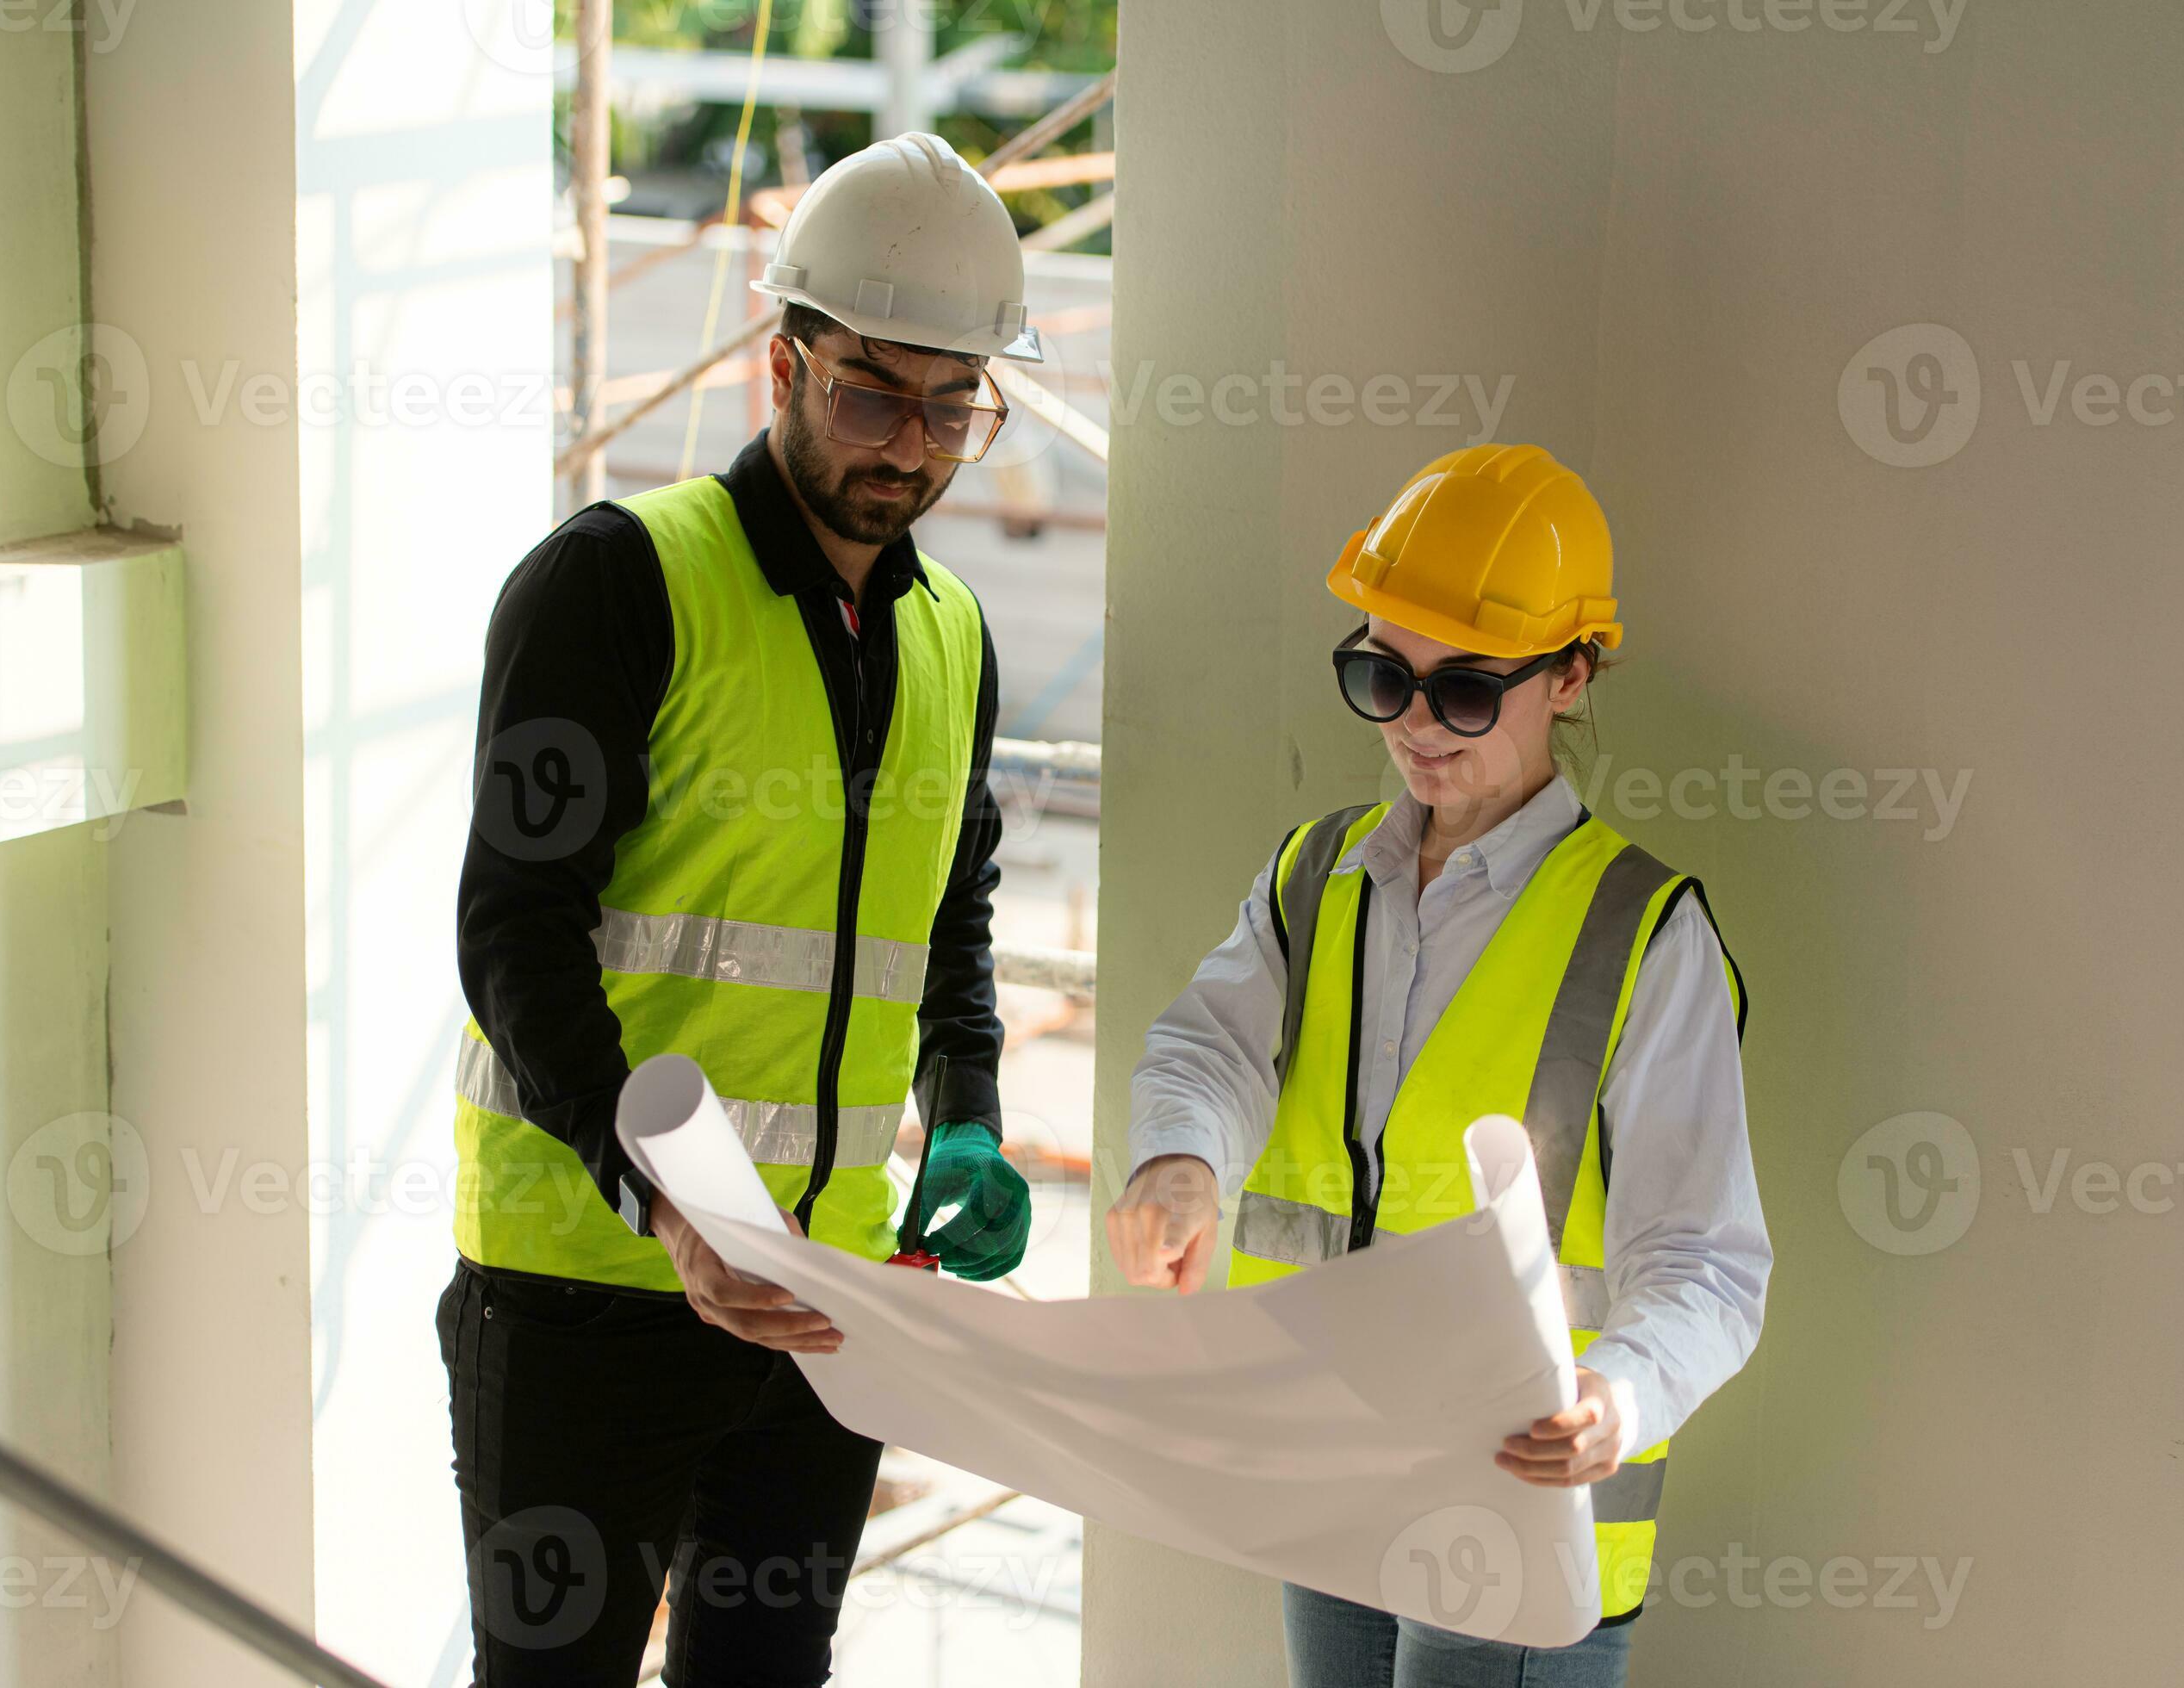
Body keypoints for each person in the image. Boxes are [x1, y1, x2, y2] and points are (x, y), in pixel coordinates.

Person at [441, 132, 1037, 1685]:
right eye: (872, 388)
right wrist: (663, 1202)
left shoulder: (957, 639)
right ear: (783, 364)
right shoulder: (612, 586)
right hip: (591, 1287)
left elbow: (948, 926)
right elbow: (514, 931)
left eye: (954, 401)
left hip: (827, 1301)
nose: (910, 442)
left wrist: (965, 1109)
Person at [1106, 445, 1771, 1687]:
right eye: (1381, 675)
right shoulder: (1320, 875)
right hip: (1334, 1480)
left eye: (1465, 691)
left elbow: (1709, 1263)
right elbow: (1211, 1046)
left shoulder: (1646, 934)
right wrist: (1186, 1162)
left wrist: (1618, 1398)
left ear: (1571, 675)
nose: (1415, 724)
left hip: (1514, 1498)